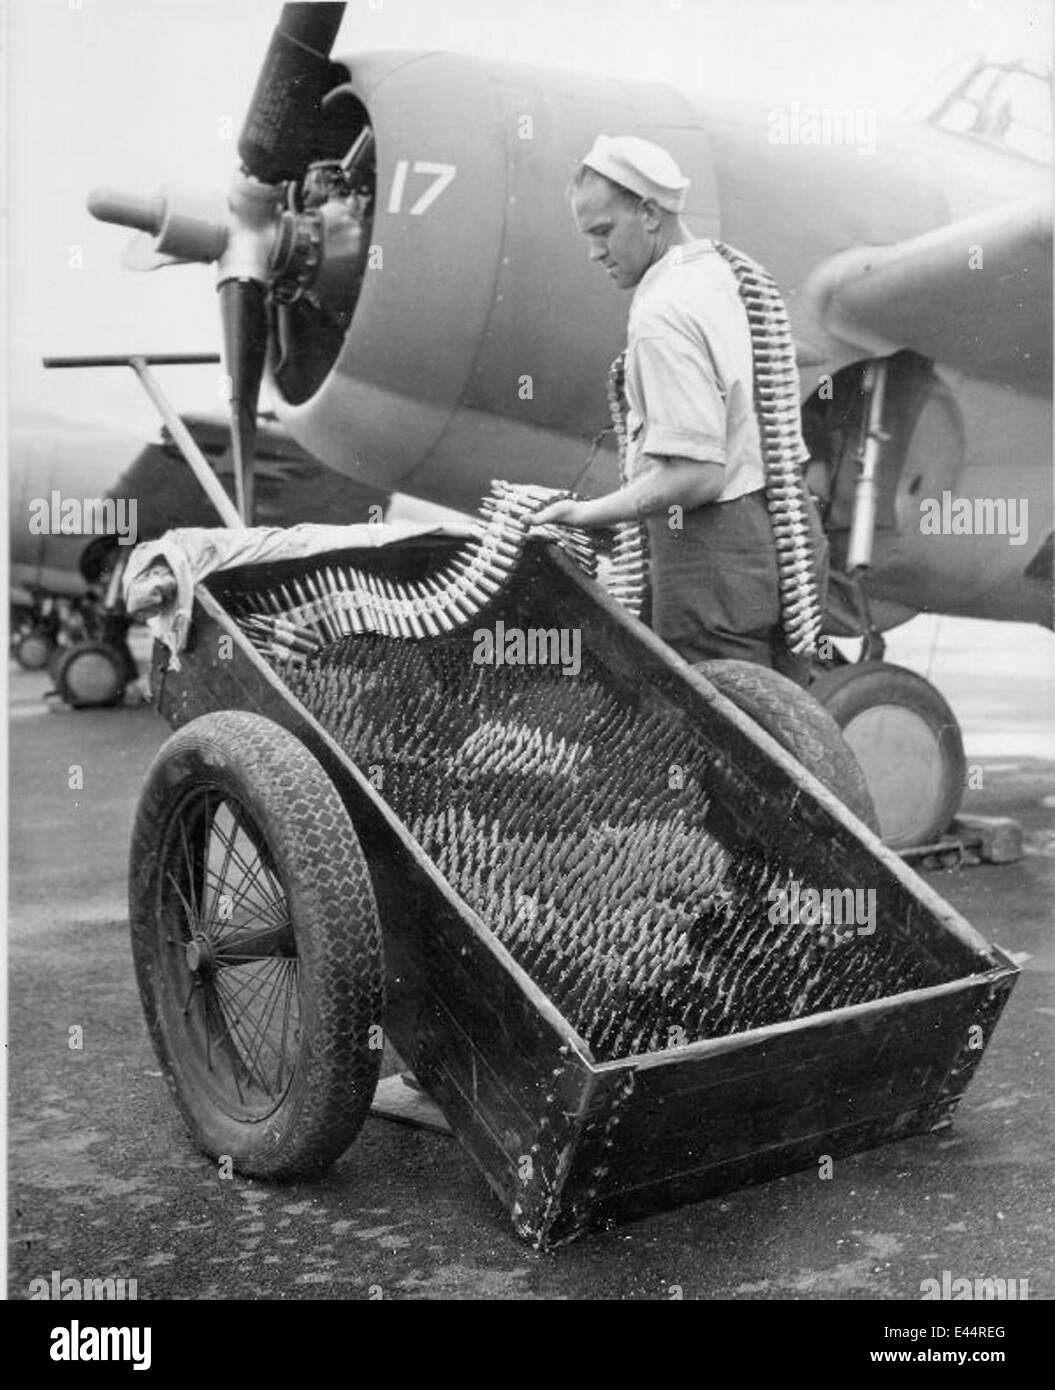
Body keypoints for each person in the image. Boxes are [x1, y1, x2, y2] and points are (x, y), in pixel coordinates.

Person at [532, 134, 826, 684]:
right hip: (786, 543)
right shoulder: (732, 271)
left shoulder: (662, 312)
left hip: (711, 559)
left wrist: (584, 514)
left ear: (648, 213)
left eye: (603, 231)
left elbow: (697, 476)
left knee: (719, 750)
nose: (594, 253)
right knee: (782, 729)